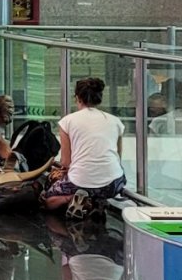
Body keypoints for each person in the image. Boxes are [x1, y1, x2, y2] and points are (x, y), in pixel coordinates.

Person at [49, 77, 127, 209]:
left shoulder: (67, 122)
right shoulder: (115, 121)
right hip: (112, 184)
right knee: (101, 185)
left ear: (77, 98)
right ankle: (95, 201)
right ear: (99, 98)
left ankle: (74, 198)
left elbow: (66, 162)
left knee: (48, 200)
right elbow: (118, 156)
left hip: (80, 182)